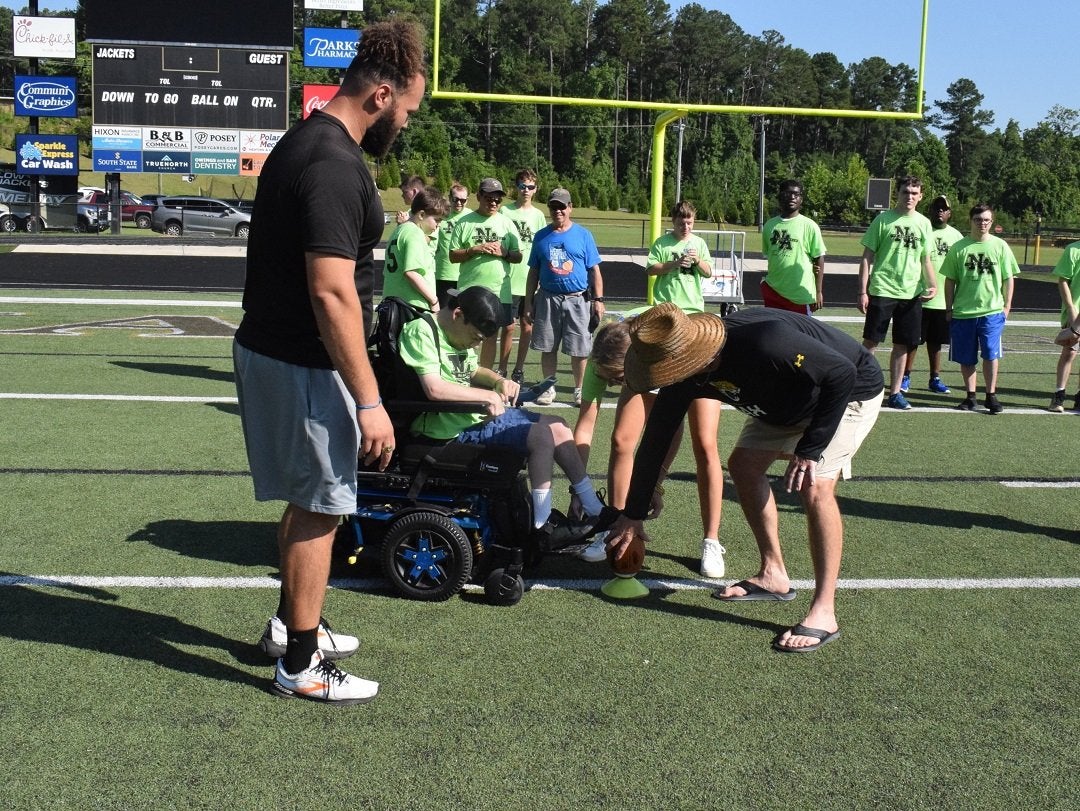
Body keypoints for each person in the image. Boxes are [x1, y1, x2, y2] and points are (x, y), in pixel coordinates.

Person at [233, 19, 425, 705]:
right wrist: (370, 399)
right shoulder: (335, 164)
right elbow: (332, 290)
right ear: (379, 94)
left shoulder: (310, 140)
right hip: (306, 360)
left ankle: (291, 624)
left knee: (309, 498)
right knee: (321, 504)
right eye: (405, 110)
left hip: (284, 351)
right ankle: (301, 663)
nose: (404, 123)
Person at [606, 303, 884, 653]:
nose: (669, 377)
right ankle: (773, 575)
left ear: (698, 356)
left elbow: (841, 373)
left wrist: (809, 450)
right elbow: (656, 438)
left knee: (815, 487)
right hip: (783, 400)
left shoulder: (765, 341)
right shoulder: (682, 376)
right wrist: (633, 514)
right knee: (743, 466)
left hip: (843, 393)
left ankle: (824, 610)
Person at [397, 286, 606, 534]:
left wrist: (497, 381)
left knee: (558, 425)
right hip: (446, 430)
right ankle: (541, 527)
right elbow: (434, 389)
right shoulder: (422, 331)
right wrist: (486, 395)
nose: (476, 343)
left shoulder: (456, 332)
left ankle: (593, 509)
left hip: (470, 417)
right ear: (458, 314)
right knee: (541, 436)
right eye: (476, 337)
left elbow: (472, 370)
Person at [571, 314, 726, 578]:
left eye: (618, 379)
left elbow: (670, 428)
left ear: (633, 363)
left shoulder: (658, 353)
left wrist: (655, 484)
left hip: (692, 357)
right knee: (621, 441)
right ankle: (614, 524)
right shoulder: (604, 359)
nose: (612, 384)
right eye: (609, 379)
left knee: (705, 444)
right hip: (641, 362)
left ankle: (711, 540)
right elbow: (585, 426)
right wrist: (577, 488)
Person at [857, 175, 938, 411]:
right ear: (898, 194)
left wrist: (932, 284)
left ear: (920, 196)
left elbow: (926, 259)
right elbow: (866, 258)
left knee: (903, 344)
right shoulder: (883, 220)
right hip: (883, 288)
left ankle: (894, 393)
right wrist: (862, 291)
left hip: (911, 293)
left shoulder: (923, 223)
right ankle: (861, 386)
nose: (909, 196)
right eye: (905, 192)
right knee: (871, 341)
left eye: (914, 193)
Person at [523, 188, 605, 407]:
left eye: (562, 206)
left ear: (570, 208)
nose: (557, 211)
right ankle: (549, 388)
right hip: (548, 298)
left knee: (580, 349)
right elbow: (533, 272)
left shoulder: (583, 235)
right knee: (548, 347)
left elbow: (595, 271)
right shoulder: (541, 236)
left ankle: (579, 389)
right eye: (553, 206)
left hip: (578, 299)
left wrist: (598, 300)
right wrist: (528, 302)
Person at [940, 203, 1018, 414]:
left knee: (991, 354)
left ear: (991, 222)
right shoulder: (959, 247)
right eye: (978, 219)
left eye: (986, 220)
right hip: (964, 312)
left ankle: (991, 395)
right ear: (970, 220)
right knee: (966, 357)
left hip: (991, 311)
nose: (982, 223)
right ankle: (970, 396)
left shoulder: (1000, 246)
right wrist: (949, 308)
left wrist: (1007, 305)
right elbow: (950, 281)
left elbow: (1008, 277)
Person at [447, 178, 522, 370]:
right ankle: (460, 373)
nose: (493, 203)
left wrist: (504, 253)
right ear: (479, 196)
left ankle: (484, 377)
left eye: (497, 200)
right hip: (469, 289)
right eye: (489, 198)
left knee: (490, 335)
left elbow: (518, 256)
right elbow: (453, 256)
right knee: (462, 331)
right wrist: (474, 250)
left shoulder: (507, 223)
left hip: (499, 290)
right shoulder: (464, 222)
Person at [902, 195, 963, 394]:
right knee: (912, 340)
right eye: (936, 207)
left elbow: (960, 270)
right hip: (918, 296)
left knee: (936, 343)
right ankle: (905, 376)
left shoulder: (956, 237)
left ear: (949, 213)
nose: (940, 211)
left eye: (943, 209)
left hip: (942, 300)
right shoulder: (922, 228)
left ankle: (935, 378)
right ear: (930, 210)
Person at [501, 169, 548, 382]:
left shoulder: (538, 215)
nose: (526, 190)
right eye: (522, 186)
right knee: (508, 326)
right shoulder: (504, 211)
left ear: (535, 190)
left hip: (529, 279)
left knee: (527, 325)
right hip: (507, 278)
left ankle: (518, 369)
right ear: (516, 187)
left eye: (530, 187)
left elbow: (541, 248)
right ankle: (501, 368)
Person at [760, 179, 826, 314]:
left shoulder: (810, 226)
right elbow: (770, 257)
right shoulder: (769, 225)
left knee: (800, 334)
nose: (792, 197)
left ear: (801, 199)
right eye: (787, 193)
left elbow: (819, 258)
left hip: (799, 295)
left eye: (796, 194)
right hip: (774, 291)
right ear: (779, 197)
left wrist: (818, 291)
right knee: (775, 332)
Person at [381, 186, 447, 311]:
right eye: (436, 220)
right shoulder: (415, 233)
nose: (438, 225)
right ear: (421, 214)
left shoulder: (399, 230)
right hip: (410, 305)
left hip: (393, 303)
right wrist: (434, 300)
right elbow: (411, 272)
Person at [646, 200, 713, 313]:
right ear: (673, 222)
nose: (686, 227)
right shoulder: (661, 243)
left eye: (689, 223)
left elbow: (708, 273)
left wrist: (697, 260)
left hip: (693, 307)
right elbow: (650, 270)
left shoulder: (699, 243)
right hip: (665, 307)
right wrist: (675, 264)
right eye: (681, 224)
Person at [1048, 239, 1080, 412]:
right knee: (1069, 352)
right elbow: (1063, 281)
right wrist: (1071, 309)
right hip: (1076, 312)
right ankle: (1059, 396)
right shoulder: (1073, 250)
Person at [433, 183, 471, 307]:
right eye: (455, 199)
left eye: (462, 200)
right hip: (443, 272)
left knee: (464, 317)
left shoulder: (472, 217)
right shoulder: (441, 215)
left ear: (467, 200)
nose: (459, 202)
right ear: (449, 198)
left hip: (466, 274)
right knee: (443, 314)